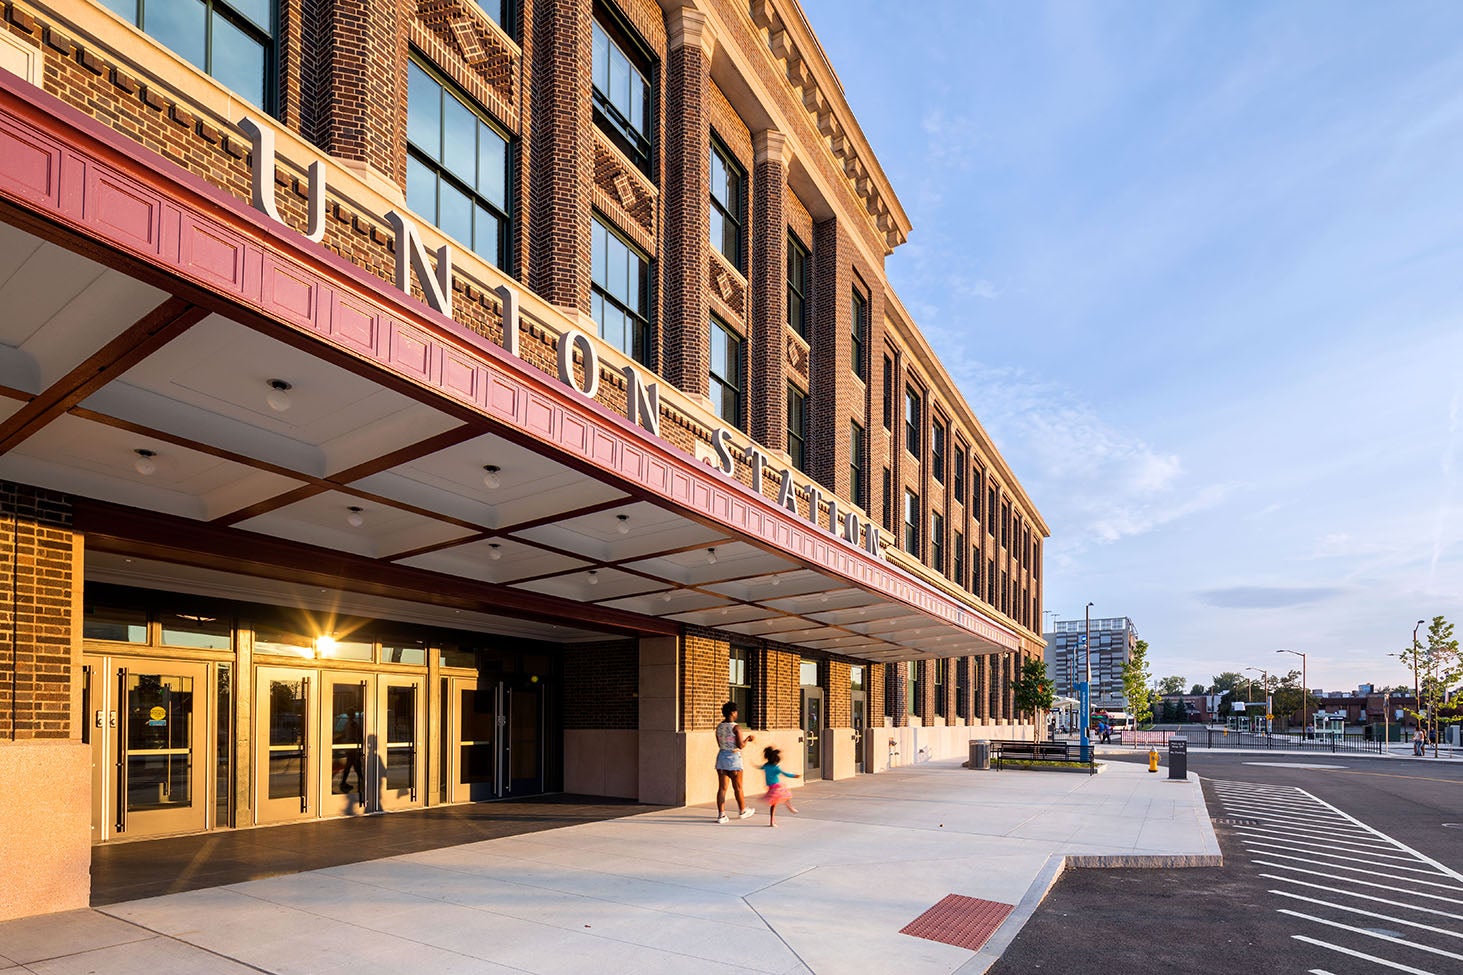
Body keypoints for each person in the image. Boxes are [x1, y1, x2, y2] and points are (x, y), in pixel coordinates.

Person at [714, 701, 755, 824]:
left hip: (722, 758)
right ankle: (742, 811)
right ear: (732, 713)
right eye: (736, 711)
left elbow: (719, 743)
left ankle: (721, 815)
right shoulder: (736, 727)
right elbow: (740, 745)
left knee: (722, 789)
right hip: (734, 759)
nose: (737, 713)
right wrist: (748, 739)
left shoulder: (719, 727)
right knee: (738, 787)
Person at [758, 746, 800, 826]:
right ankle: (789, 807)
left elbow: (760, 767)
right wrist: (794, 776)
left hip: (772, 788)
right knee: (786, 796)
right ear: (775, 761)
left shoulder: (766, 766)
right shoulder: (776, 768)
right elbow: (785, 774)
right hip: (776, 787)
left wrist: (754, 765)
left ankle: (772, 821)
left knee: (774, 804)